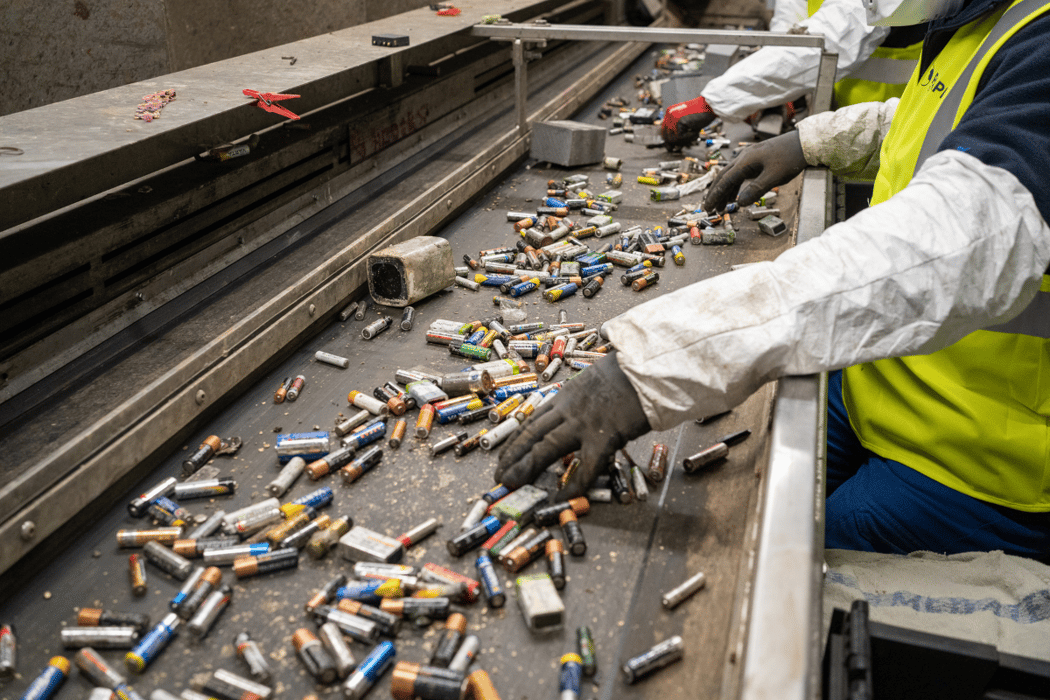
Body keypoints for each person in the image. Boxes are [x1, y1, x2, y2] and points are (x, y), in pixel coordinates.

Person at [497, 0, 1050, 558]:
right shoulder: (981, 18)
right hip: (885, 383)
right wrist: (811, 141)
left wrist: (659, 362)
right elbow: (941, 118)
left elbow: (958, 237)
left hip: (984, 458)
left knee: (778, 551)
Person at [661, 0, 926, 149]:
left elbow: (834, 35)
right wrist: (783, 93)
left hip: (896, 129)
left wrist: (715, 101)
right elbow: (792, 25)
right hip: (836, 114)